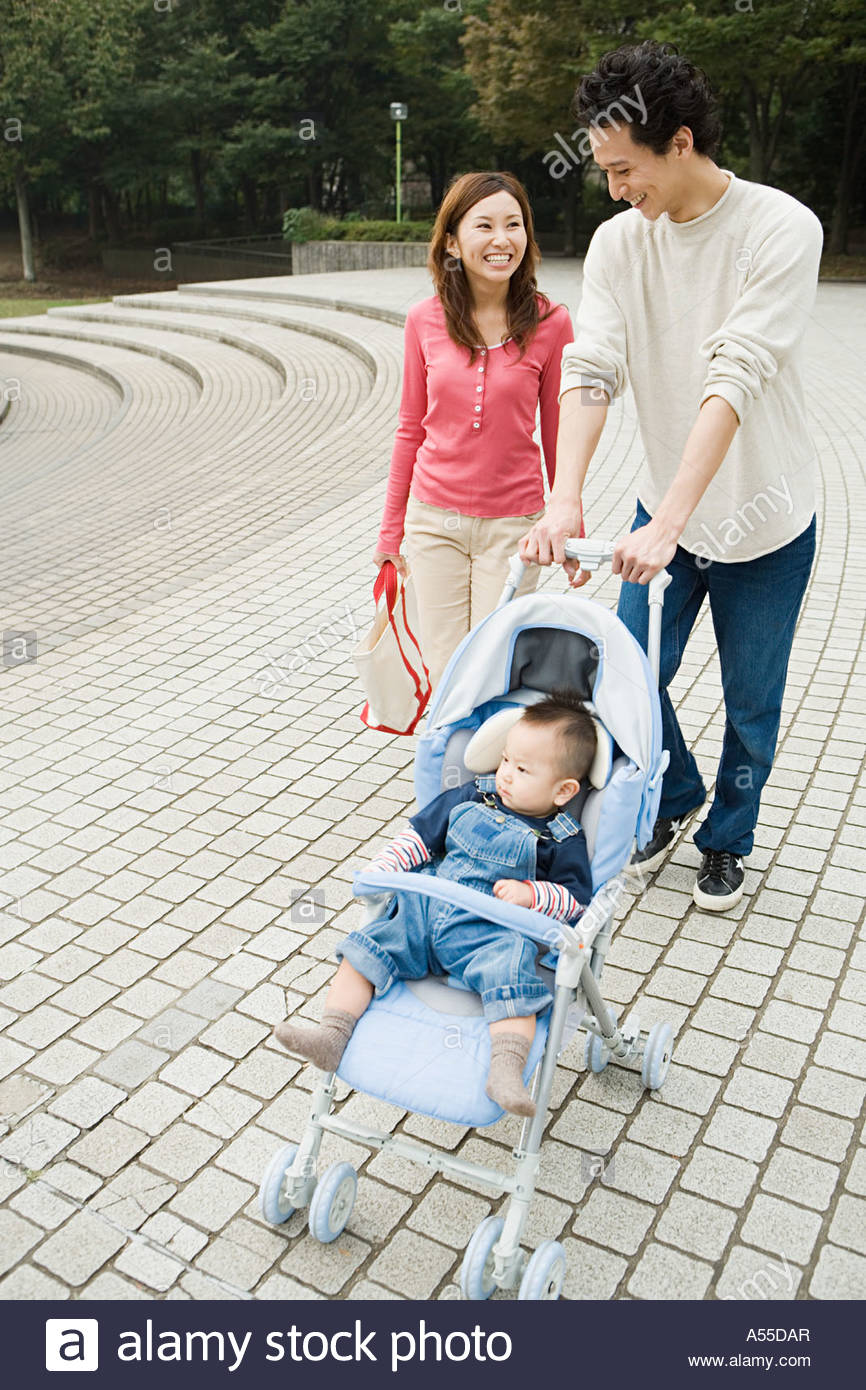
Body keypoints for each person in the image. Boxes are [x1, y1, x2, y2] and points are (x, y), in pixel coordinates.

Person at [520, 40, 823, 913]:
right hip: (668, 511)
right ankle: (678, 796)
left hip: (766, 522)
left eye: (624, 169)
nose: (614, 189)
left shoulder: (780, 228)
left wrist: (673, 521)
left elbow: (734, 377)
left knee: (750, 706)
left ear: (680, 142)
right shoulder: (621, 244)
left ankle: (728, 838)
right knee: (625, 678)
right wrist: (567, 496)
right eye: (604, 171)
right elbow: (593, 368)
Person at [274, 692, 595, 1116]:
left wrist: (534, 894)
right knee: (363, 950)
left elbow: (576, 900)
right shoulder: (470, 797)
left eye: (522, 769)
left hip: (489, 931)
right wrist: (384, 871)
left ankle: (505, 1071)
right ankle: (331, 1037)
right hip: (424, 913)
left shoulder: (560, 837)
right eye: (504, 761)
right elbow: (419, 838)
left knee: (513, 981)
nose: (506, 775)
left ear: (563, 790)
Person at [374, 171, 575, 692]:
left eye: (514, 225)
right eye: (483, 225)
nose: (501, 239)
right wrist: (390, 532)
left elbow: (558, 433)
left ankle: (493, 772)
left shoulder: (551, 322)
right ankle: (453, 771)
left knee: (497, 663)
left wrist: (566, 522)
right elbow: (408, 429)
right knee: (445, 666)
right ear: (452, 242)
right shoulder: (424, 320)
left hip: (515, 527)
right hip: (434, 521)